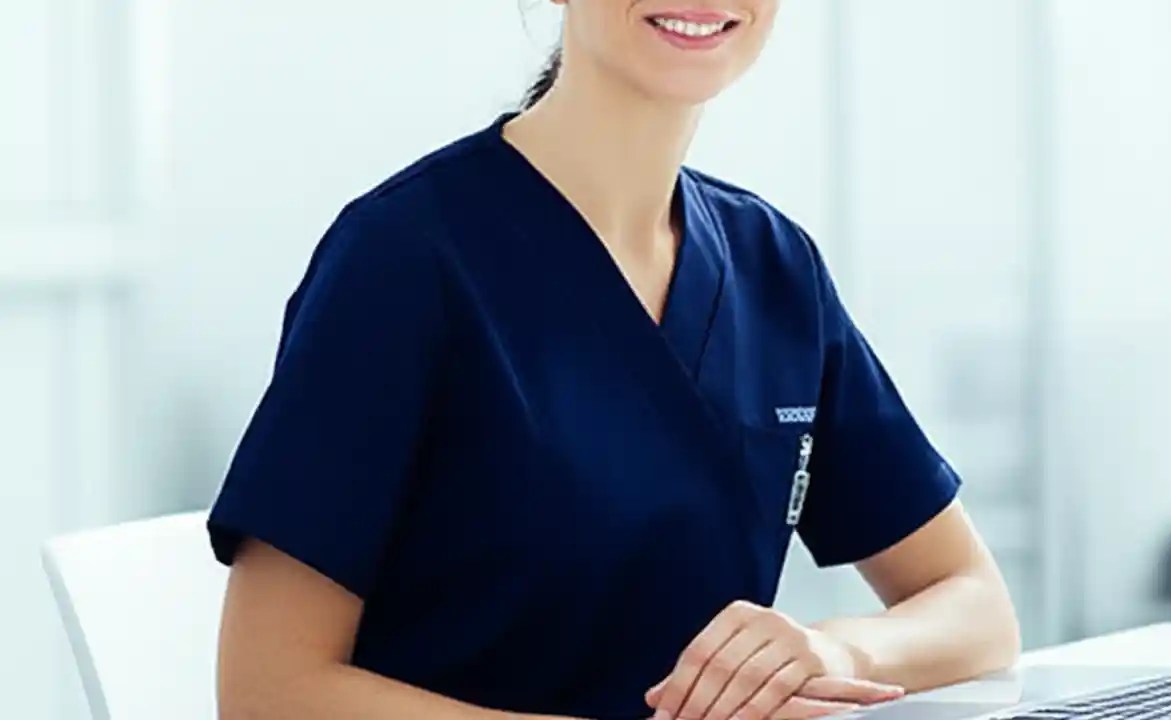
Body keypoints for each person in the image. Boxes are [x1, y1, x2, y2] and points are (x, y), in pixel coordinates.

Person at [208, 2, 1021, 719]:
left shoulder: (773, 266)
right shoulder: (404, 258)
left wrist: (835, 652)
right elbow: (269, 690)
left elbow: (977, 609)